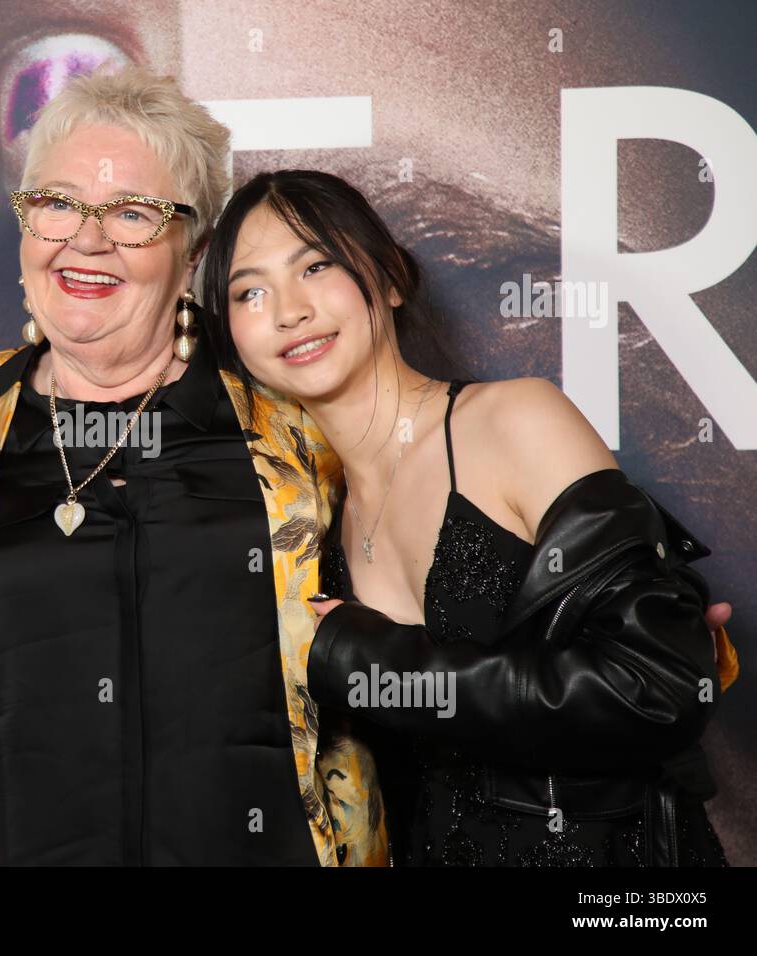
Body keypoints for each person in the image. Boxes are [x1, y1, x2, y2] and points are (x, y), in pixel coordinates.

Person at [0, 66, 390, 866]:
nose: (87, 238)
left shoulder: (300, 421)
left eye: (133, 213)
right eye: (57, 204)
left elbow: (443, 610)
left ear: (194, 256)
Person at [203, 168, 739, 865]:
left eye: (316, 264)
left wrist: (358, 652)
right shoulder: (306, 525)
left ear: (391, 280)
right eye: (250, 291)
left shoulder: (514, 420)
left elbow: (658, 687)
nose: (288, 309)